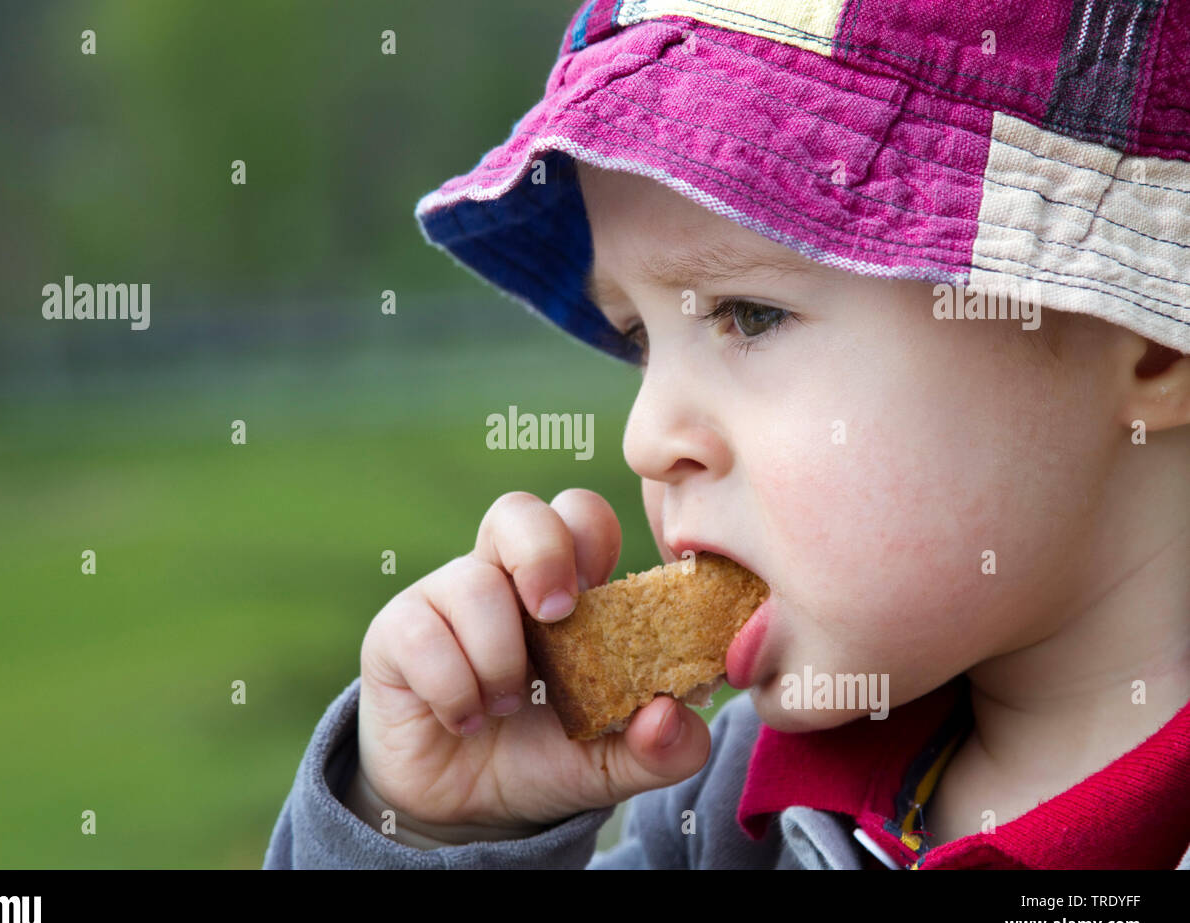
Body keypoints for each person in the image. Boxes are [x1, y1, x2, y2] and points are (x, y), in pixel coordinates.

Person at [265, 0, 1190, 869]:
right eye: (637, 338)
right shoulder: (715, 809)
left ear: (1145, 338)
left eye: (748, 314)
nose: (645, 437)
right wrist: (435, 826)